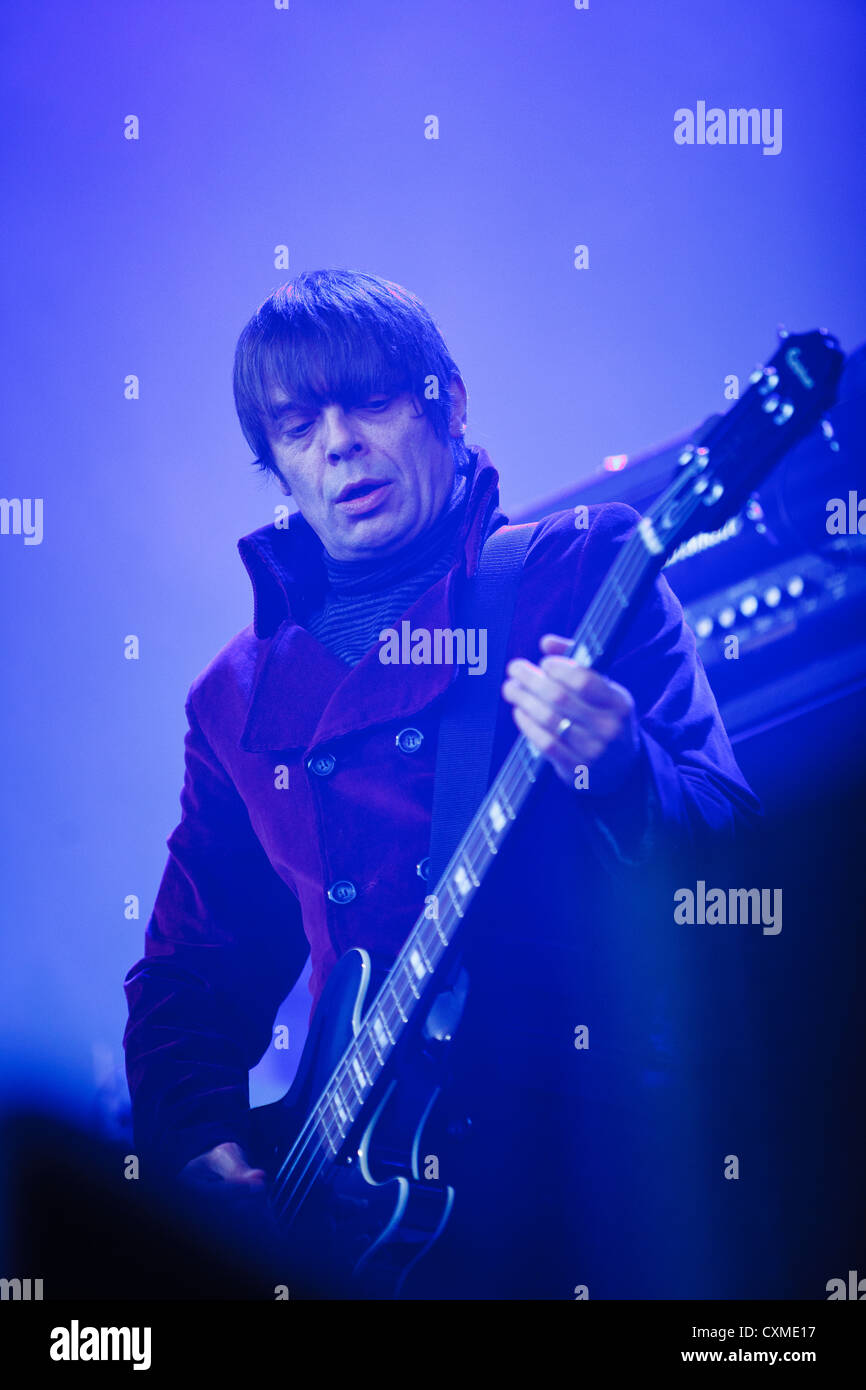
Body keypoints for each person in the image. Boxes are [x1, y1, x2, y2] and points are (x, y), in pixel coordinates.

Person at [123, 268, 761, 1298]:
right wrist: (195, 1140)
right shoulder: (235, 697)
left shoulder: (579, 567)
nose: (337, 442)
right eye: (296, 425)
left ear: (446, 403)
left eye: (369, 400)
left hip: (600, 1185)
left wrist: (623, 772)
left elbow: (742, 873)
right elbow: (189, 978)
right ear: (279, 465)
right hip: (363, 1235)